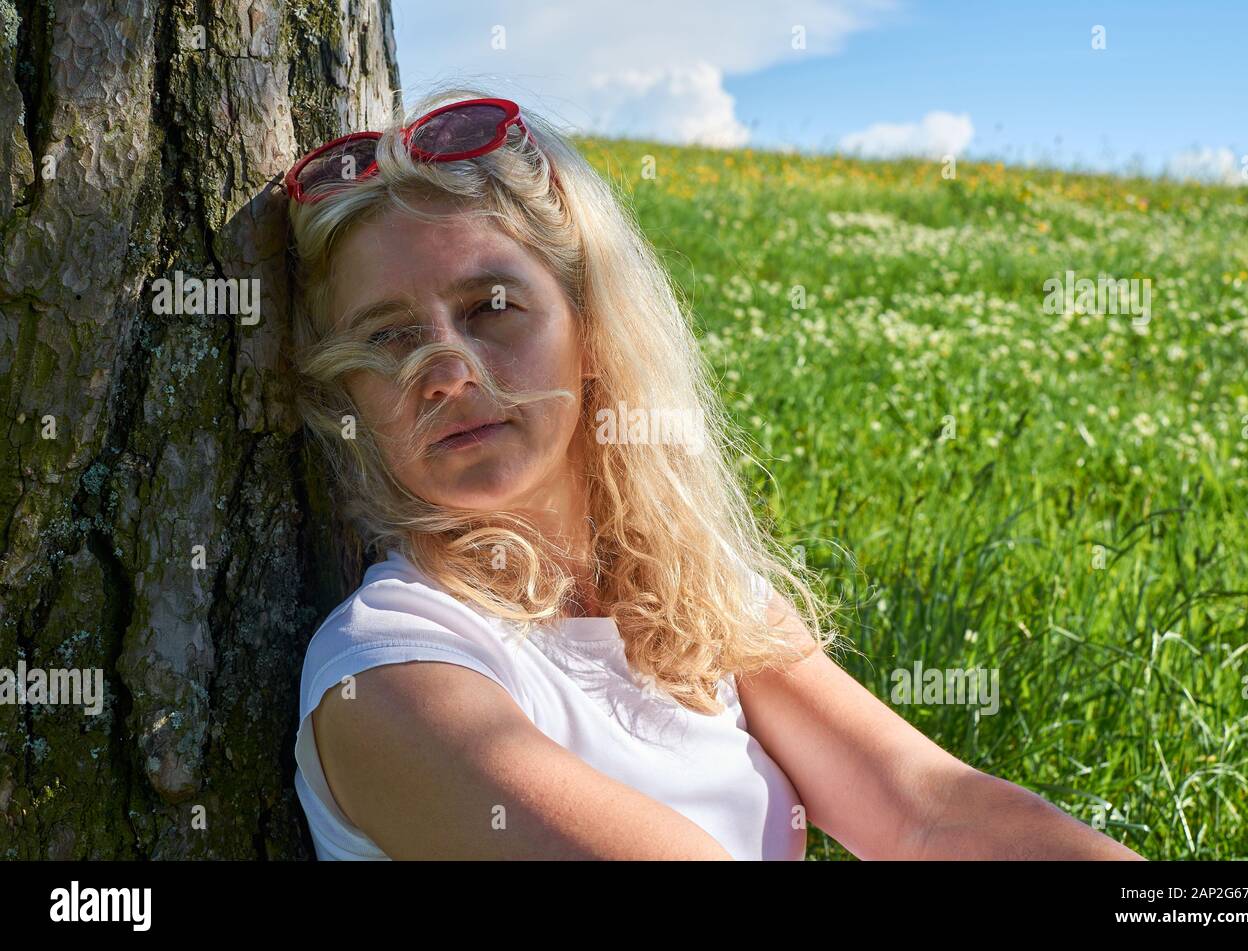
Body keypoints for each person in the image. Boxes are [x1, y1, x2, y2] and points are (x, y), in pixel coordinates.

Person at [282, 85, 1144, 861]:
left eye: (490, 307)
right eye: (388, 335)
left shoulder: (691, 595)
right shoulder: (389, 671)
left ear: (591, 325)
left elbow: (928, 812)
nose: (445, 369)